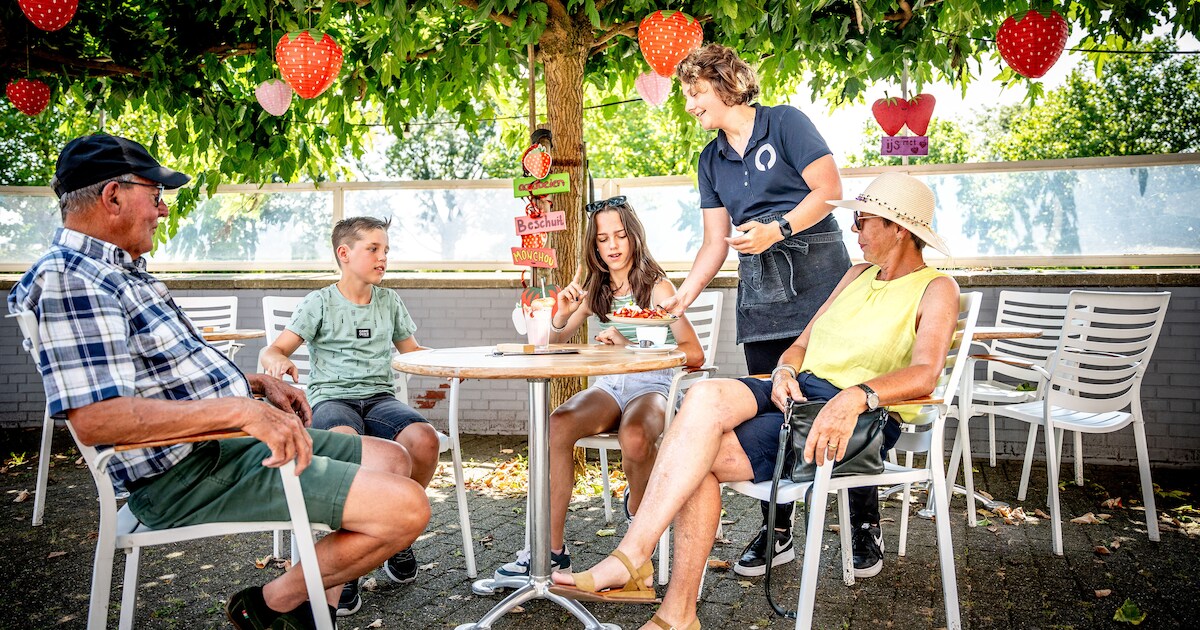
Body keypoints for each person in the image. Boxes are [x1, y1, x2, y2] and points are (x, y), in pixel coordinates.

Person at [7, 133, 431, 630]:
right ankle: (275, 605)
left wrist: (252, 385)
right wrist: (241, 411)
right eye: (156, 194)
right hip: (185, 474)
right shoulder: (73, 279)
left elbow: (160, 380)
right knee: (405, 511)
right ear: (113, 196)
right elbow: (101, 419)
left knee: (397, 457)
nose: (162, 210)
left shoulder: (117, 271)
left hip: (219, 447)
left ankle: (313, 606)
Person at [552, 173, 959, 630]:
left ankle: (668, 603)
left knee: (697, 459)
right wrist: (784, 369)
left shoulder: (936, 287)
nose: (853, 229)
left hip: (851, 416)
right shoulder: (856, 275)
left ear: (898, 227)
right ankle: (641, 567)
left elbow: (925, 372)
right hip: (795, 387)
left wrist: (856, 396)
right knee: (702, 397)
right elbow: (801, 345)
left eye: (862, 220)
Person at [662, 43, 853, 576]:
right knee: (771, 403)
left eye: (695, 92)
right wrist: (684, 294)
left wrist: (780, 228)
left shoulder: (786, 123)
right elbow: (714, 241)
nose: (689, 105)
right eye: (686, 95)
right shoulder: (709, 160)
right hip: (762, 297)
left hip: (820, 279)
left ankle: (862, 522)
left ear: (725, 84)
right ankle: (778, 528)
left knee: (837, 397)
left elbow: (830, 190)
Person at [492, 196, 705, 580]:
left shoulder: (657, 288)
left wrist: (632, 347)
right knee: (557, 424)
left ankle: (637, 544)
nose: (613, 246)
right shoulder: (595, 289)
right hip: (611, 386)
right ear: (594, 246)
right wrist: (560, 311)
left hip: (652, 386)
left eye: (620, 236)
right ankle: (549, 552)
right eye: (603, 238)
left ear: (634, 238)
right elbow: (553, 344)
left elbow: (694, 354)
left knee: (636, 436)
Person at [260, 216, 440, 617]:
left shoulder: (389, 301)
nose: (383, 258)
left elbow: (412, 353)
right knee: (346, 444)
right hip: (333, 398)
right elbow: (275, 350)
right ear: (345, 254)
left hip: (379, 398)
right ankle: (350, 556)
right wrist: (276, 362)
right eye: (373, 249)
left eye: (386, 250)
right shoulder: (320, 302)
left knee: (424, 440)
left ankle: (396, 533)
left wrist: (453, 362)